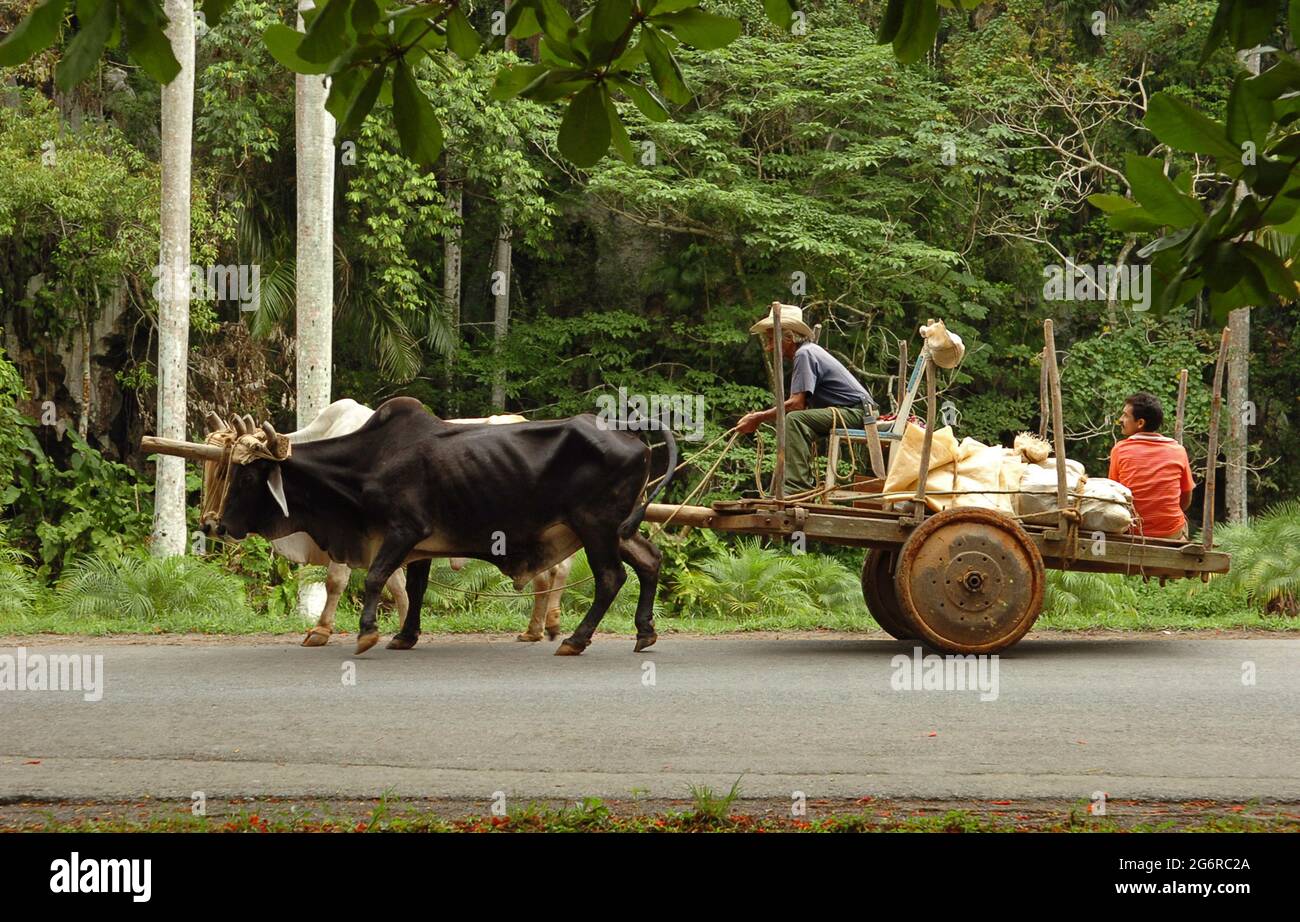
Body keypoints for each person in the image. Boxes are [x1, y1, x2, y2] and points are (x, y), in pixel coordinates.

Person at [736, 303, 876, 494]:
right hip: (851, 411)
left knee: (793, 419)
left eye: (770, 340)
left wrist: (758, 418)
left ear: (789, 337)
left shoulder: (804, 354)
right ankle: (778, 489)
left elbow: (796, 404)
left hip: (858, 412)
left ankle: (796, 489)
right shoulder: (807, 352)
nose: (768, 348)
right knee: (794, 422)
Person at [1108, 392, 1195, 539]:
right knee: (1182, 522)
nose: (1121, 420)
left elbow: (1115, 495)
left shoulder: (1120, 449)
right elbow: (1185, 501)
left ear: (1140, 423)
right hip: (1170, 532)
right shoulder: (1178, 450)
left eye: (1125, 416)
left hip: (1131, 532)